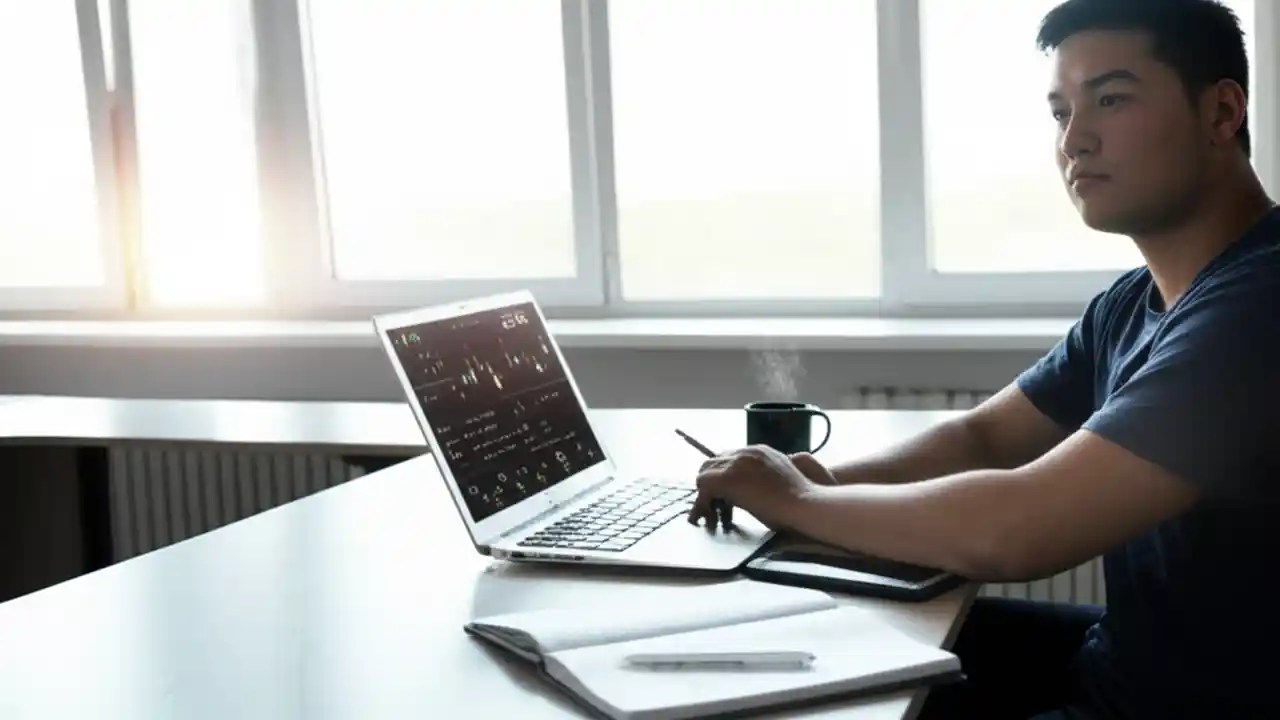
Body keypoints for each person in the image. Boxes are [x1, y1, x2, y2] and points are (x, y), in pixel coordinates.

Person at [688, 0, 1278, 717]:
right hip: (1124, 665)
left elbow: (1019, 530)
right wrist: (821, 480)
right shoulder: (1132, 301)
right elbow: (986, 438)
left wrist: (801, 502)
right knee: (807, 653)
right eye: (1060, 112)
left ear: (1222, 113)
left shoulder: (1257, 306)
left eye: (1111, 99)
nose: (1076, 141)